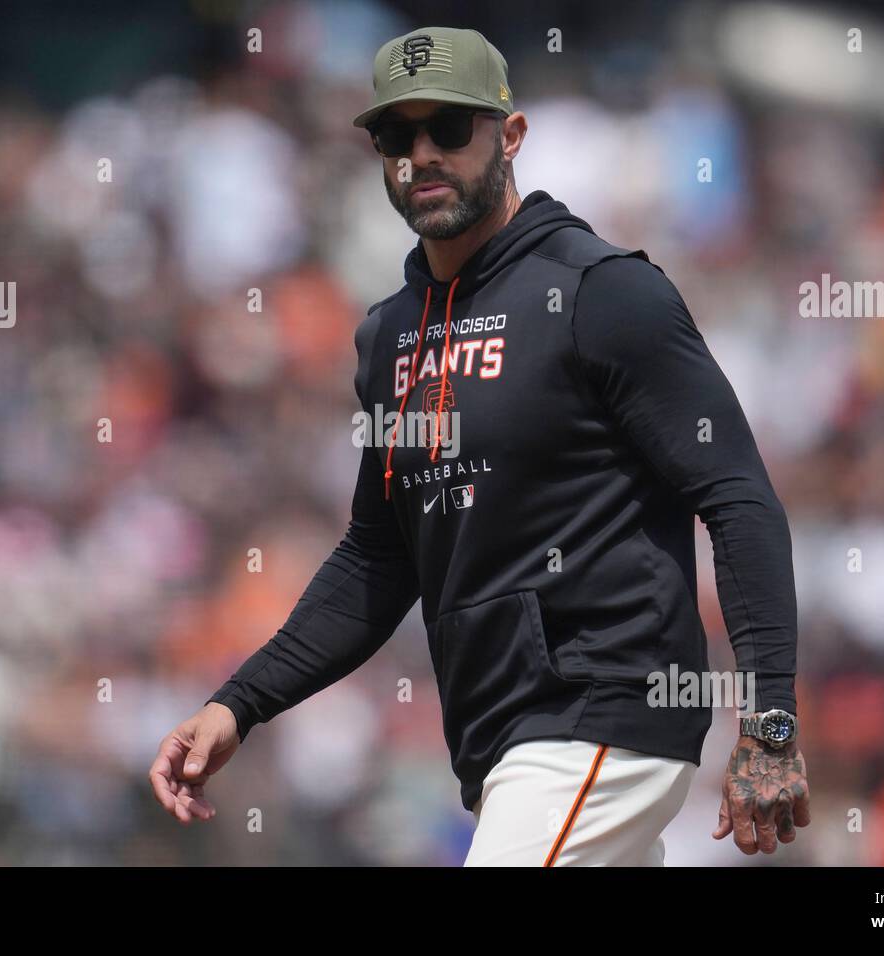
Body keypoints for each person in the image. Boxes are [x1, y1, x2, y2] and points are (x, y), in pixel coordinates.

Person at [149, 25, 810, 865]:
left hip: (599, 711)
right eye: (396, 135)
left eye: (449, 129)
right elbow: (378, 557)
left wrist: (772, 722)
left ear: (512, 135)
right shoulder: (389, 337)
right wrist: (240, 703)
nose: (420, 156)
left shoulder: (601, 293)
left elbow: (738, 497)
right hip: (499, 743)